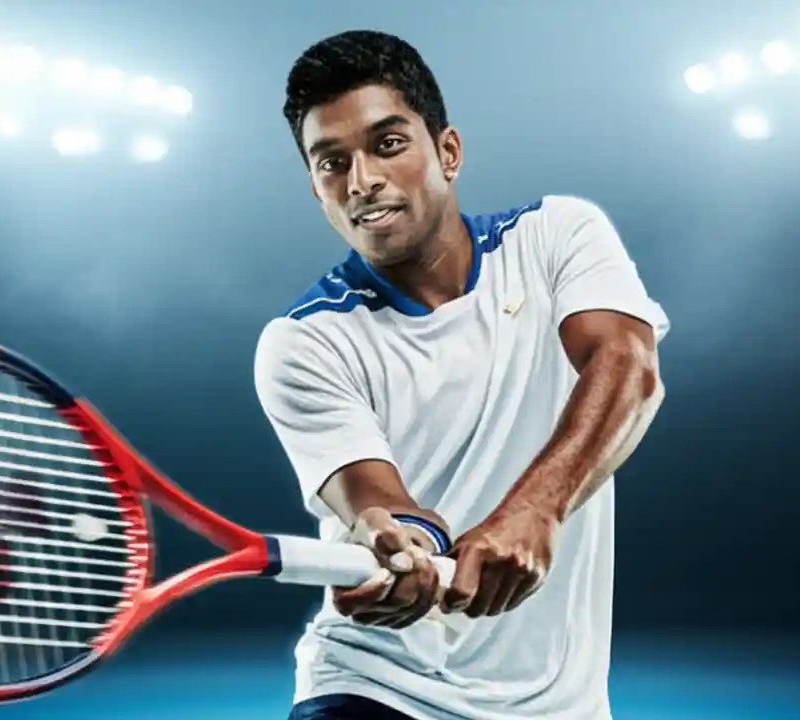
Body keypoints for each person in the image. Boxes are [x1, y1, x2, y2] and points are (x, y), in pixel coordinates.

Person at [254, 29, 670, 720]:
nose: (362, 181)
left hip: (561, 706)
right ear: (315, 186)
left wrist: (536, 509)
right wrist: (406, 547)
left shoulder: (556, 234)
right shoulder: (303, 342)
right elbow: (378, 500)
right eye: (333, 163)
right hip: (377, 692)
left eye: (387, 144)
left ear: (448, 151)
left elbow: (626, 364)